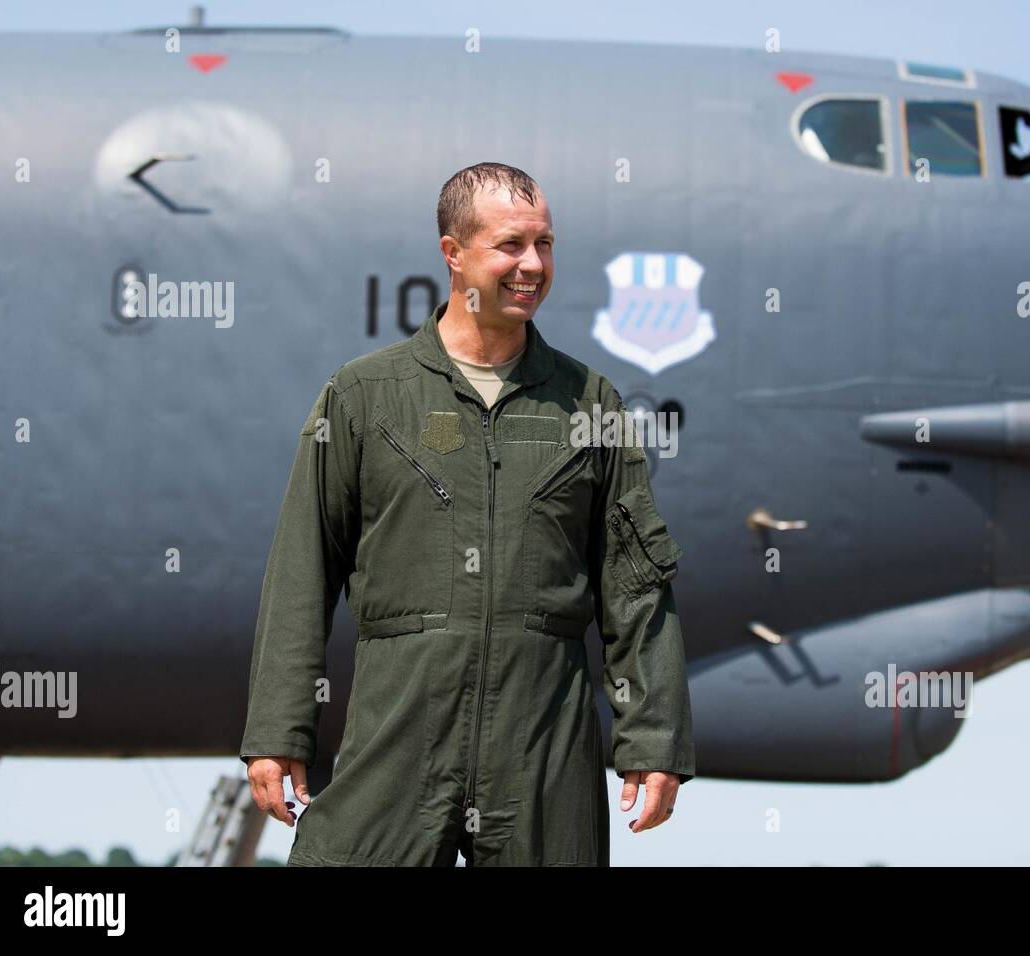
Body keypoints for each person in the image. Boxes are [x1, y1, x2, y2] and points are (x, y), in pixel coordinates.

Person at [239, 162, 695, 866]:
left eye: (545, 244)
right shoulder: (363, 397)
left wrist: (654, 738)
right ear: (453, 253)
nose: (533, 264)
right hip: (399, 727)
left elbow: (634, 583)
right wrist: (279, 729)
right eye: (511, 245)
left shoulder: (589, 403)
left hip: (544, 739)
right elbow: (303, 570)